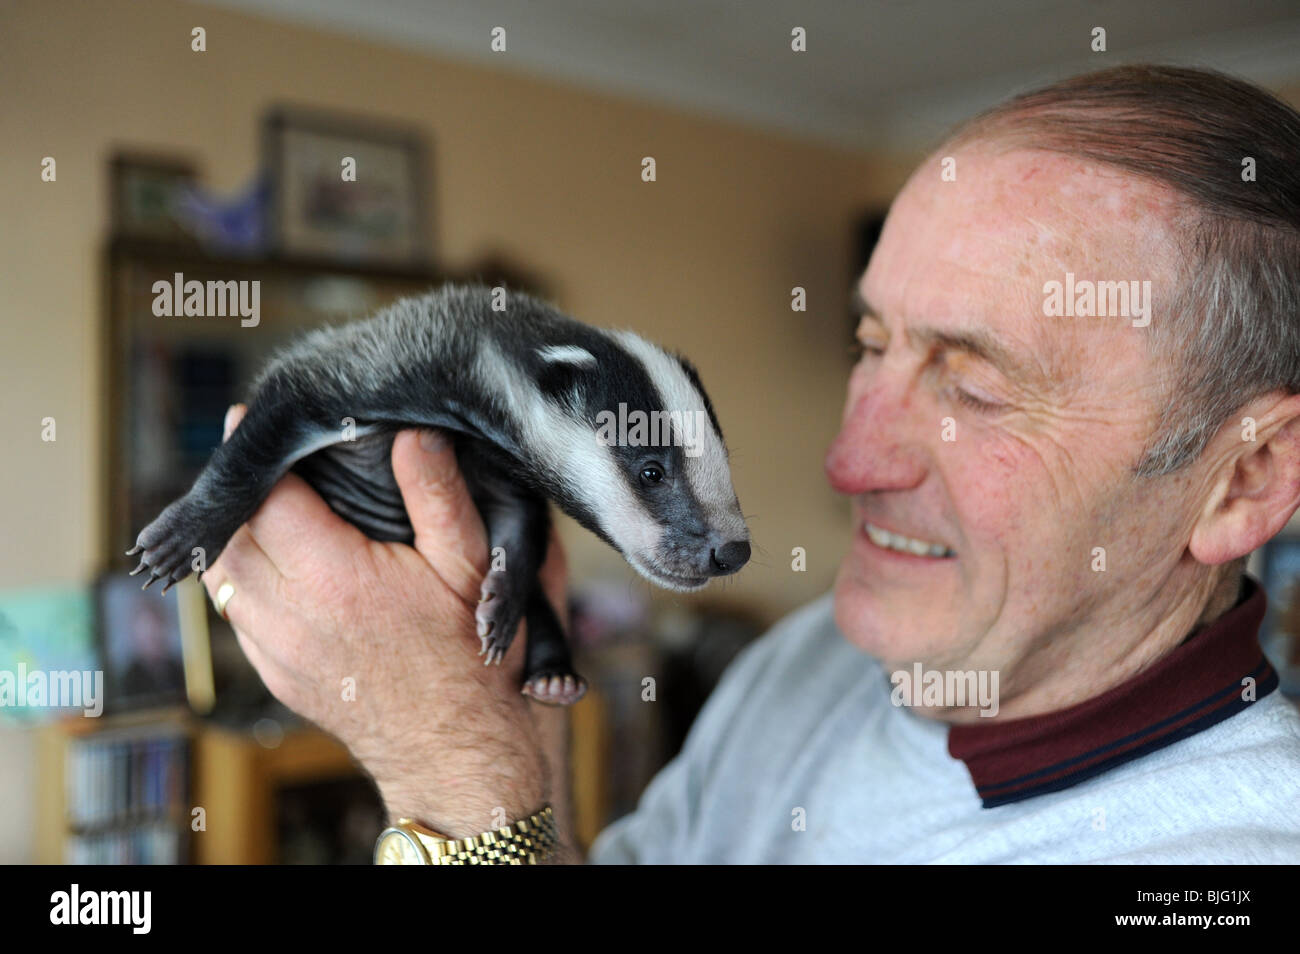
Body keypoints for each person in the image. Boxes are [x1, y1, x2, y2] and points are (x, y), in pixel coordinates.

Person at [202, 65, 1300, 863]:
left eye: (972, 385)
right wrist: (516, 754)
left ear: (1245, 480)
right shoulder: (819, 653)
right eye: (870, 344)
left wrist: (453, 779)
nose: (846, 460)